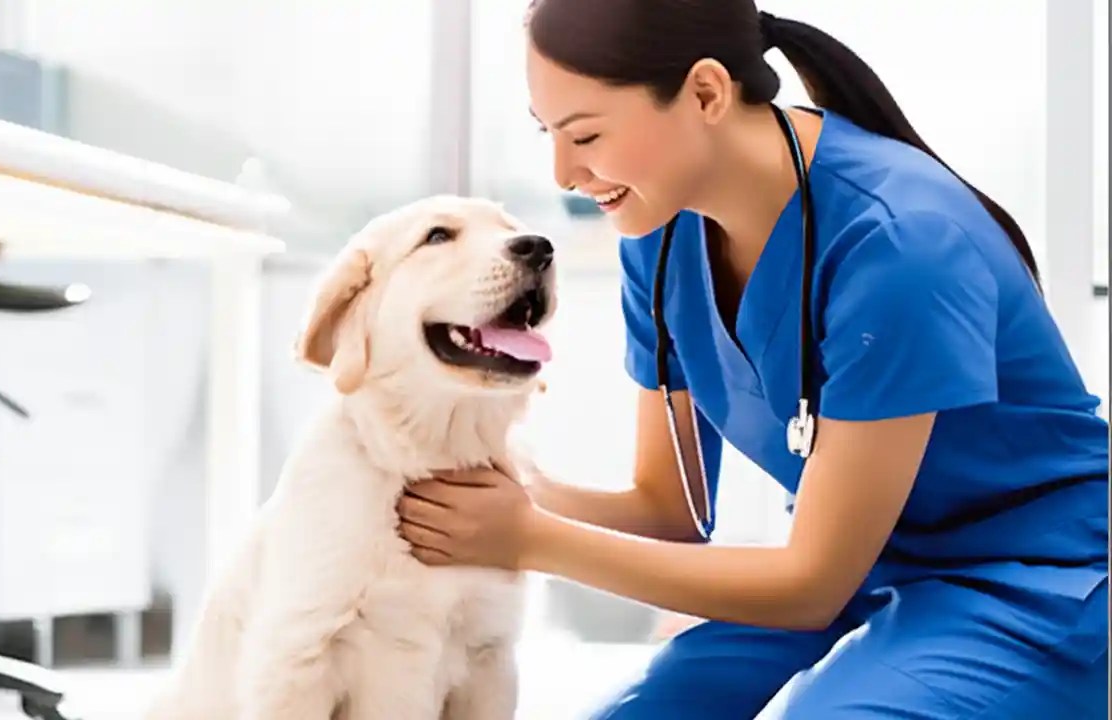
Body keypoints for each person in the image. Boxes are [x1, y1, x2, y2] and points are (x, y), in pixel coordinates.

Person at [396, 1, 1110, 718]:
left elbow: (809, 586)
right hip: (862, 566)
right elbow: (670, 509)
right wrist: (515, 495)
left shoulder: (900, 242)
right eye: (546, 132)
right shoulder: (660, 230)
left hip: (1036, 580)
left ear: (707, 93)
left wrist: (528, 539)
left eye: (585, 134)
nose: (562, 172)